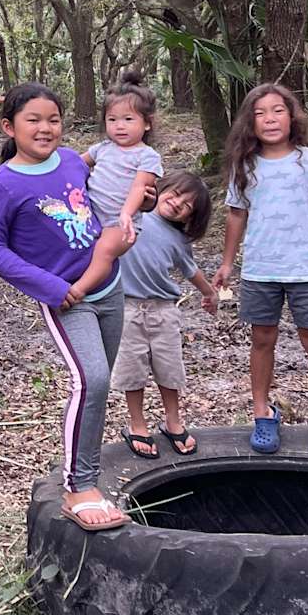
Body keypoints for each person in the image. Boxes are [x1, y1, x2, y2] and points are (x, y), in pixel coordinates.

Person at [0, 81, 134, 532]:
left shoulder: (70, 160)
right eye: (33, 120)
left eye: (54, 119)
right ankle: (79, 486)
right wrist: (47, 286)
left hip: (111, 286)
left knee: (100, 387)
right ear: (9, 126)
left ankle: (90, 472)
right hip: (67, 298)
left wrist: (129, 213)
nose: (45, 128)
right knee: (92, 379)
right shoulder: (1, 185)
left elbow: (97, 199)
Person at [211, 82, 308, 460]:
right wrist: (227, 263)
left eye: (278, 111)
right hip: (260, 268)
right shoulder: (246, 164)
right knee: (262, 338)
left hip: (306, 268)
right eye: (260, 113)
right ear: (249, 122)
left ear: (292, 117)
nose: (270, 119)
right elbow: (236, 214)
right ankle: (262, 412)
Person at [114, 170, 218, 458]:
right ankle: (138, 423)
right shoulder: (131, 215)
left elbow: (191, 271)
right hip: (127, 307)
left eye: (186, 205)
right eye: (175, 193)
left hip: (163, 309)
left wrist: (209, 293)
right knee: (131, 369)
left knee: (168, 367)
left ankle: (173, 421)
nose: (176, 202)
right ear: (161, 187)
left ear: (189, 218)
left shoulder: (178, 240)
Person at [82, 70, 164, 238]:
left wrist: (126, 213)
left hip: (119, 223)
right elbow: (75, 164)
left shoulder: (147, 156)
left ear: (147, 123)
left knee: (103, 254)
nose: (119, 126)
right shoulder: (102, 148)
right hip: (89, 216)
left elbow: (140, 187)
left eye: (128, 119)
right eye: (112, 119)